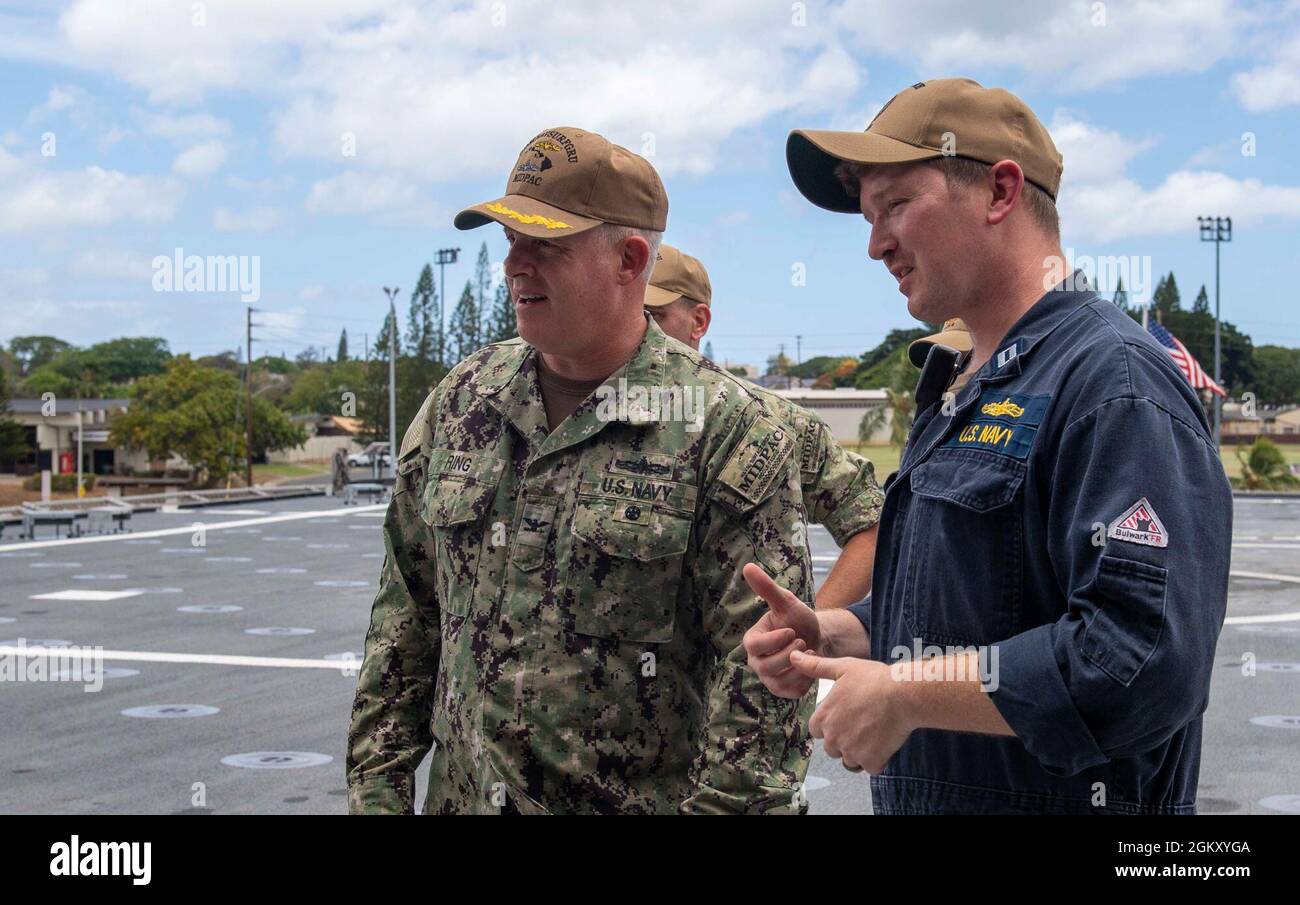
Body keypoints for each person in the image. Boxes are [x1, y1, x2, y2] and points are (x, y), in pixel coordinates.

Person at [744, 77, 1232, 814]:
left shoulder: (1113, 384)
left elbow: (1140, 662)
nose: (876, 245)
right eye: (870, 218)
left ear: (1001, 192)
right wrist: (846, 633)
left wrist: (907, 693)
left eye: (895, 206)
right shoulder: (967, 383)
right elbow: (981, 606)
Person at [347, 126, 816, 815]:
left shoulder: (726, 429)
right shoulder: (462, 402)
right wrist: (377, 799)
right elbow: (403, 622)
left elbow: (764, 691)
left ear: (630, 260)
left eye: (546, 245)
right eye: (510, 241)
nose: (515, 265)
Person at [644, 244, 882, 609]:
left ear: (699, 321)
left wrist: (813, 626)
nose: (639, 326)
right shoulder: (590, 412)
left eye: (653, 314)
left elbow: (872, 524)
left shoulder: (768, 420)